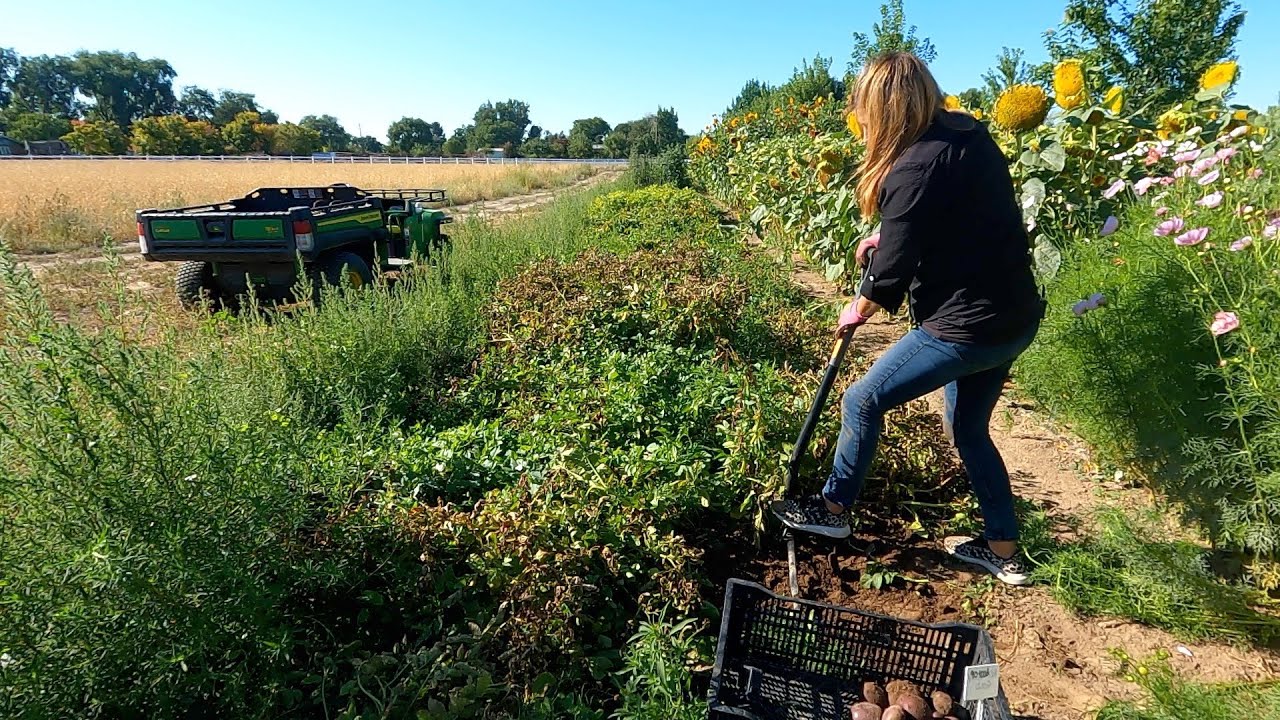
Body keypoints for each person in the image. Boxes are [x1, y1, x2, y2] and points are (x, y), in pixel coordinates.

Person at [770, 52, 1045, 586]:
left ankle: (832, 510)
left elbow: (890, 273)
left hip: (966, 326)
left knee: (862, 399)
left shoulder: (914, 165)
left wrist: (858, 306)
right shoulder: (968, 136)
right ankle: (1003, 551)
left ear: (884, 109)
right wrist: (890, 233)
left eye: (864, 108)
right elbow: (960, 216)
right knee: (968, 429)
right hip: (1013, 317)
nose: (860, 119)